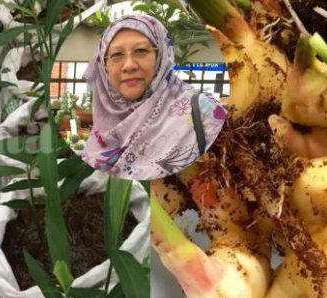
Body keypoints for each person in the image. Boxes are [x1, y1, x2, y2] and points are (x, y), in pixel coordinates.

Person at [80, 13, 227, 180]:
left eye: (141, 51)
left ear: (161, 56)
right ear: (104, 65)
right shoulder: (103, 126)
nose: (129, 65)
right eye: (116, 55)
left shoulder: (204, 112)